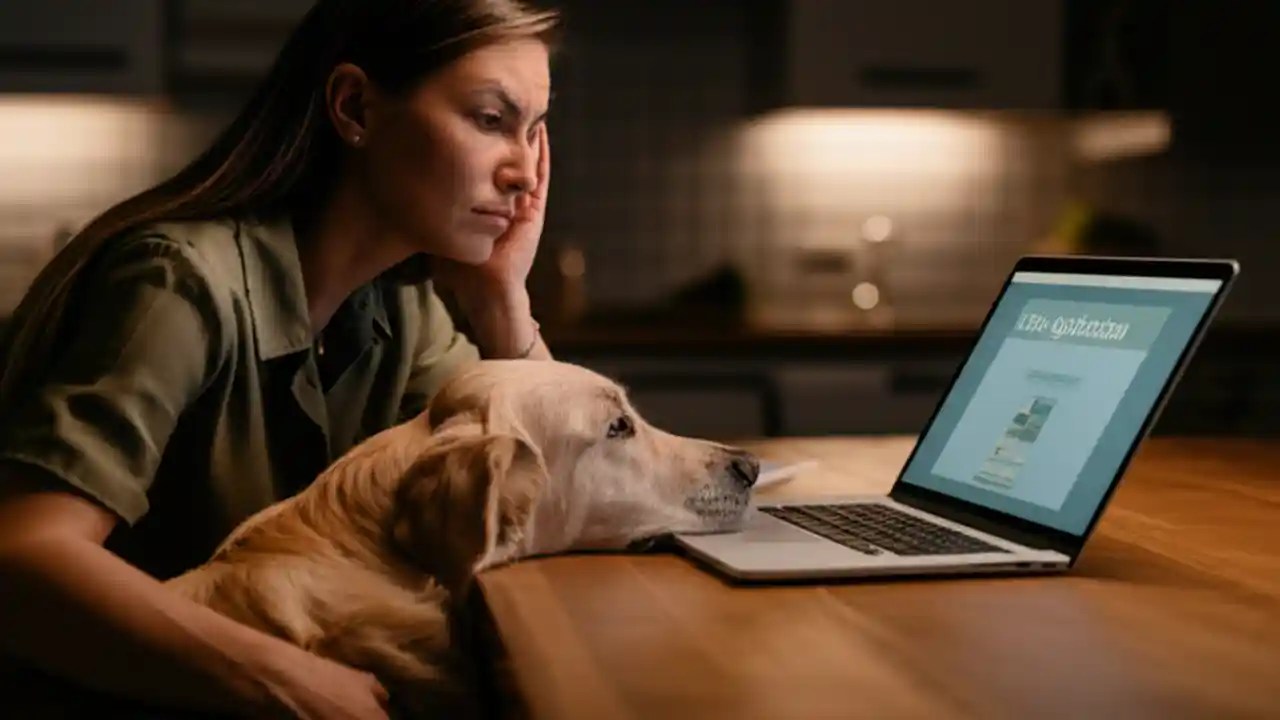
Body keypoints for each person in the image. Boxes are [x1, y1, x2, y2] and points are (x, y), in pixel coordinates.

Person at [0, 0, 559, 717]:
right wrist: (278, 677)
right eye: (490, 120)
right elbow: (21, 557)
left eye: (535, 130)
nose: (523, 172)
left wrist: (503, 301)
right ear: (355, 107)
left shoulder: (401, 312)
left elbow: (549, 490)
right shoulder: (178, 286)